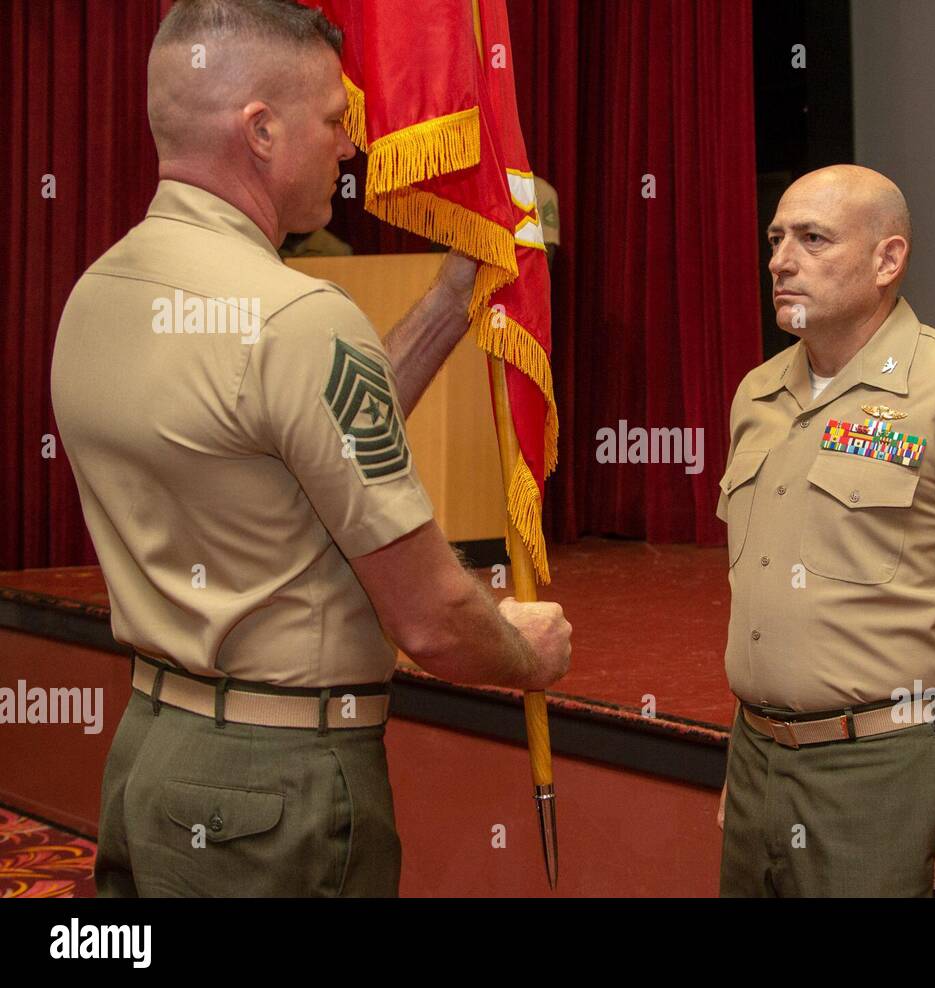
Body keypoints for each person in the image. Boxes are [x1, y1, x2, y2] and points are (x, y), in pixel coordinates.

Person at [50, 0, 570, 898]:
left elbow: (287, 441)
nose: (349, 146)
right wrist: (529, 654)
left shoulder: (97, 290)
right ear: (259, 130)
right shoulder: (296, 318)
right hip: (275, 791)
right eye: (334, 121)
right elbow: (433, 621)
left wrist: (456, 292)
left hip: (149, 749)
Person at [714, 164, 935, 897]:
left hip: (886, 773)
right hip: (757, 762)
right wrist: (751, 760)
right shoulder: (758, 393)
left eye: (814, 239)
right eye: (777, 238)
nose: (782, 260)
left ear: (888, 259)